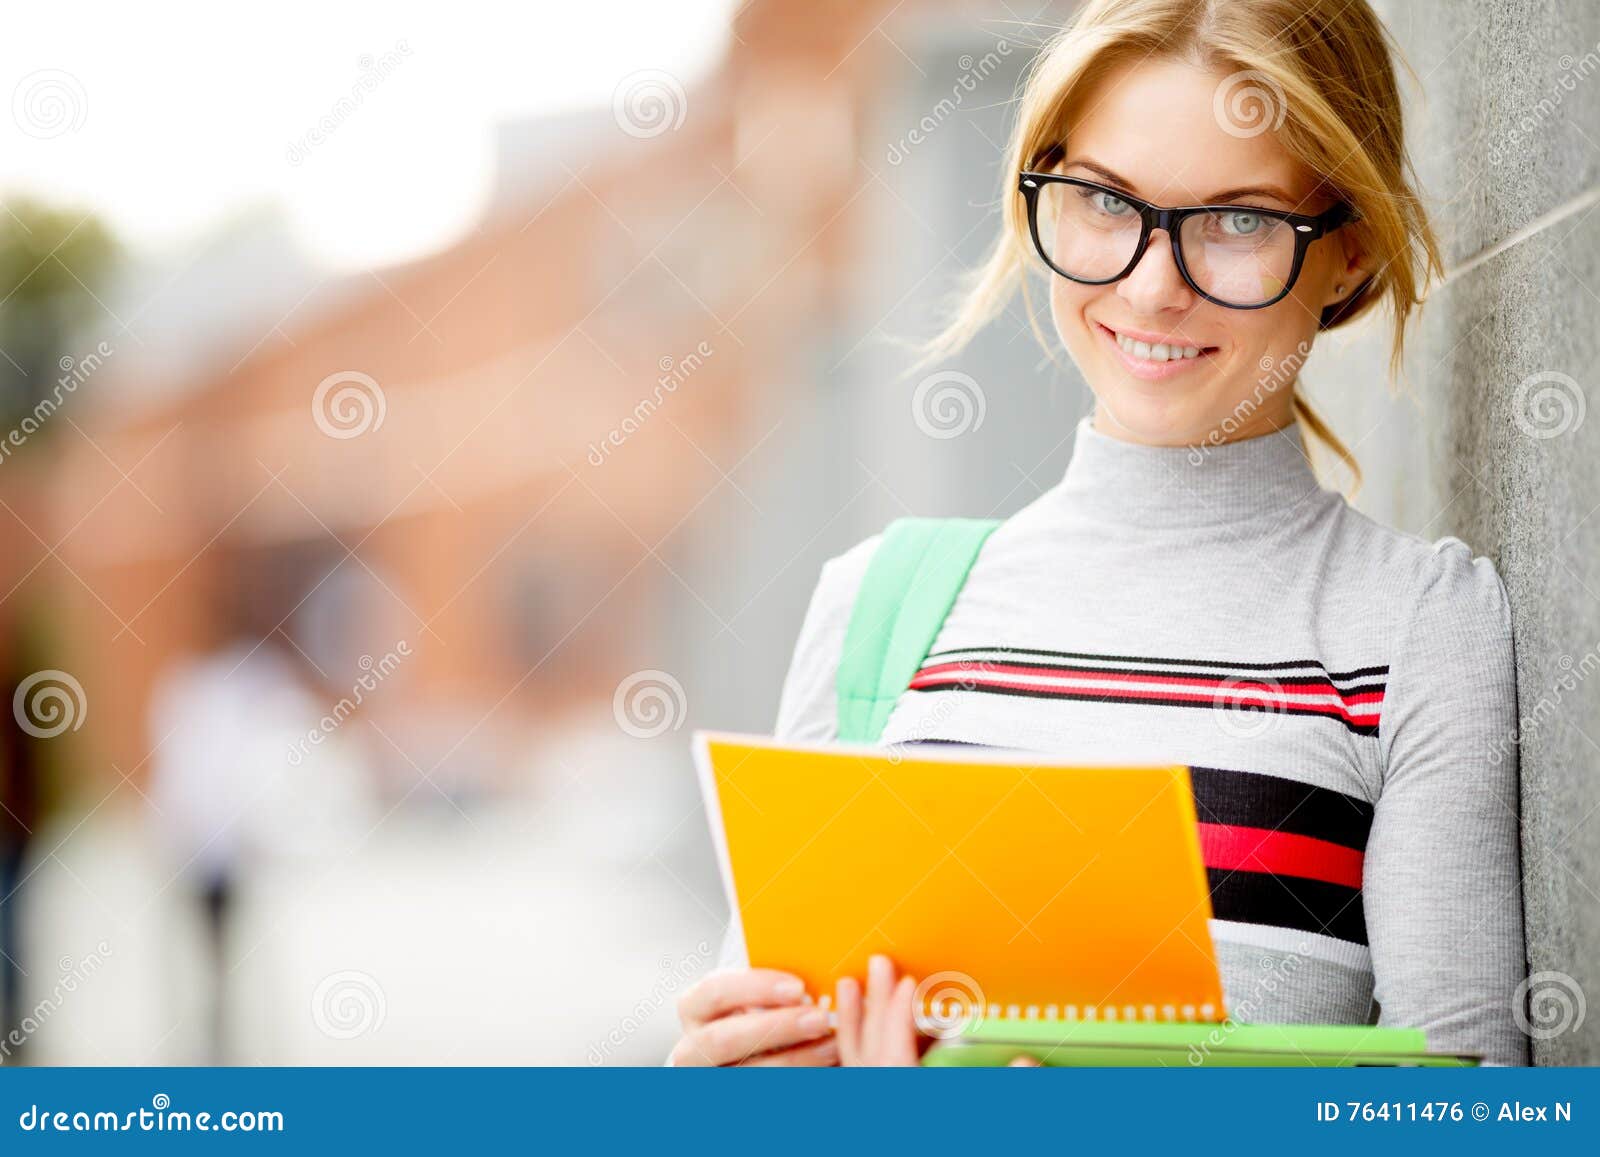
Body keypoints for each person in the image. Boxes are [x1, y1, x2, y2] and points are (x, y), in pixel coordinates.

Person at [671, 0, 1528, 1067]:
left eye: (1239, 221)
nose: (1152, 286)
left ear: (1348, 253)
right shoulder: (876, 610)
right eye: (1106, 202)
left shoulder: (1415, 627)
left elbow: (1472, 1114)